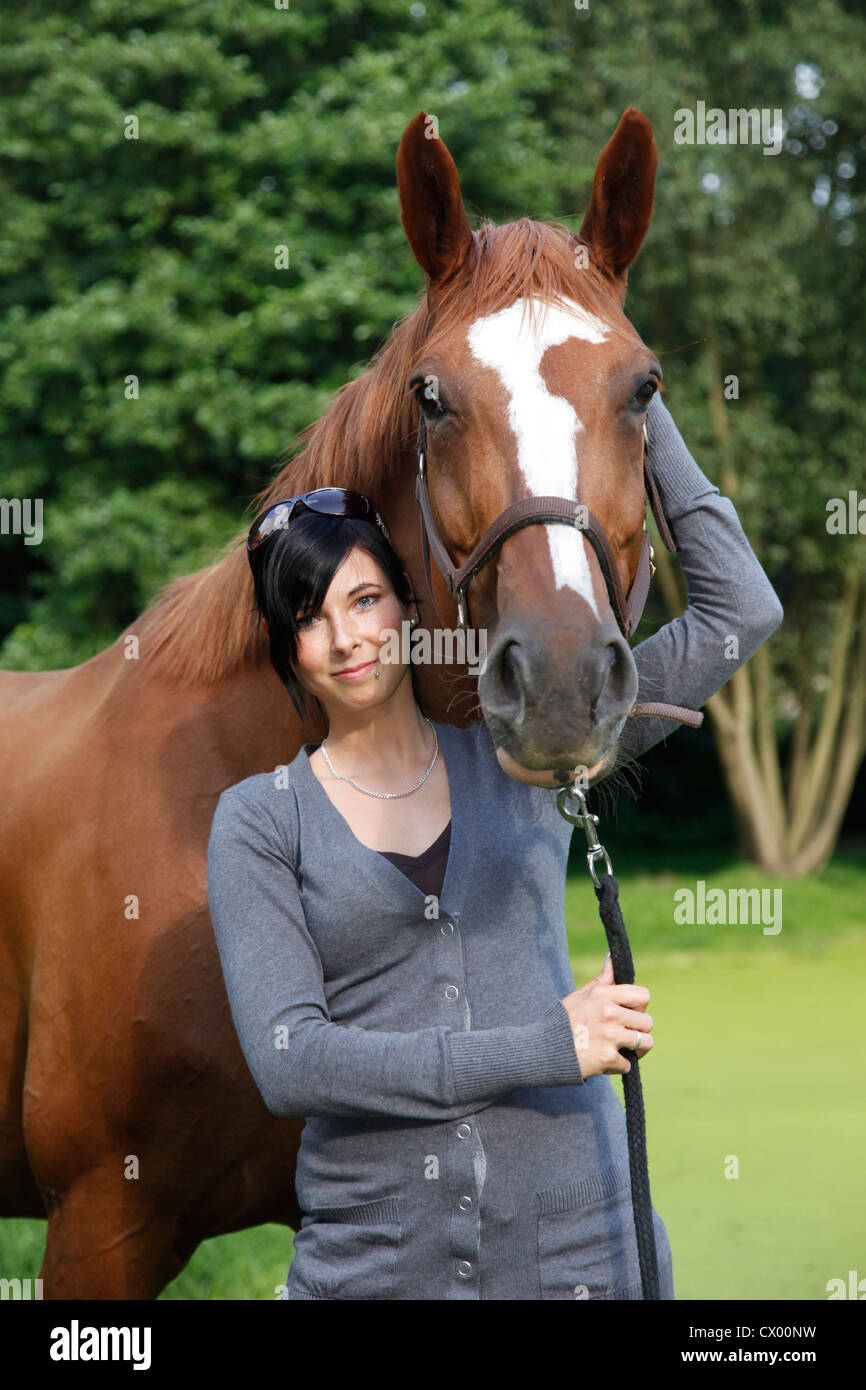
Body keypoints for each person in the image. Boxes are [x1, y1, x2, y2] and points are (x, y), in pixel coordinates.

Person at [206, 391, 783, 1300]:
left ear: (407, 600)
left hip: (583, 1258)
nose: (349, 637)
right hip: (372, 1269)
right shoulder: (259, 821)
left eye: (364, 599)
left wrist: (635, 398)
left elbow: (737, 610)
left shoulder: (530, 758)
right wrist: (550, 1046)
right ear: (287, 646)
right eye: (311, 617)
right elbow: (292, 1061)